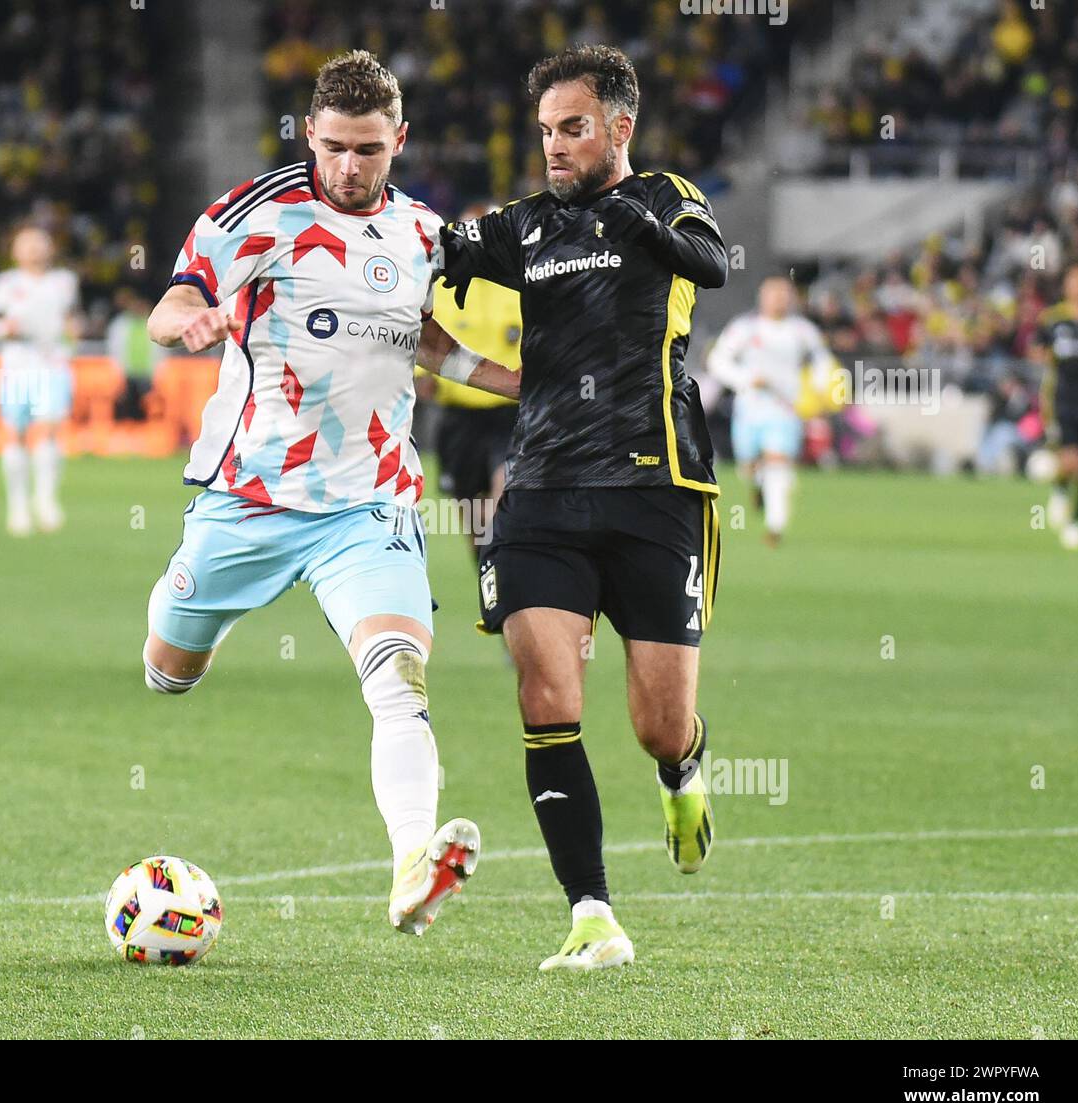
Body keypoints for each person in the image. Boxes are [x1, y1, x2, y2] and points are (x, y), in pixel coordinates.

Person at [143, 51, 519, 936]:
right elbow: (170, 307)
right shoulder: (255, 214)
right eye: (337, 147)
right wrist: (188, 326)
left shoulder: (423, 233)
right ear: (310, 133)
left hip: (371, 502)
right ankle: (192, 616)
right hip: (248, 497)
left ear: (400, 141)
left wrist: (509, 380)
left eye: (371, 150)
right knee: (169, 672)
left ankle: (411, 868)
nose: (351, 167)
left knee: (399, 681)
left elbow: (425, 340)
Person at [440, 45, 728, 970]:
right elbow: (429, 255)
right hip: (542, 491)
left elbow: (713, 262)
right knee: (547, 696)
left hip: (657, 488)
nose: (555, 147)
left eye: (572, 128)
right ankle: (591, 914)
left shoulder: (668, 196)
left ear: (618, 128)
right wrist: (454, 352)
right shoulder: (521, 228)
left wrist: (642, 226)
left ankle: (682, 769)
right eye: (545, 132)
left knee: (656, 724)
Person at [420, 203, 521, 562]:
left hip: (512, 418)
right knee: (475, 525)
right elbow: (425, 346)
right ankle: (489, 575)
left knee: (504, 500)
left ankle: (505, 565)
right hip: (459, 418)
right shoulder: (444, 289)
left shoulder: (520, 287)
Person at [707, 276, 836, 545]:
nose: (779, 299)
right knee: (749, 466)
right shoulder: (745, 328)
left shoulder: (802, 330)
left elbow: (822, 361)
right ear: (762, 297)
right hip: (749, 409)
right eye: (773, 294)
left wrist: (822, 389)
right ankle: (756, 486)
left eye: (784, 294)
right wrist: (745, 378)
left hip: (784, 408)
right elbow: (718, 360)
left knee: (778, 462)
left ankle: (775, 526)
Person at [0, 224, 82, 536]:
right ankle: (18, 506)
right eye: (27, 243)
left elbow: (71, 319)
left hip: (52, 365)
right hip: (18, 368)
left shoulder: (64, 282)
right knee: (16, 435)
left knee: (49, 430)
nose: (34, 248)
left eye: (40, 242)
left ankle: (45, 500)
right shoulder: (6, 284)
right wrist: (0, 330)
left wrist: (73, 329)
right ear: (15, 251)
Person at [1031, 262, 1078, 549]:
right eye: (1075, 280)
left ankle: (1076, 521)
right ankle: (1060, 488)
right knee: (1074, 461)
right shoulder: (1053, 320)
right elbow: (1037, 351)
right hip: (1065, 401)